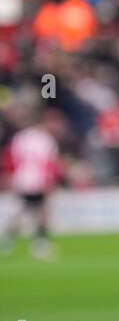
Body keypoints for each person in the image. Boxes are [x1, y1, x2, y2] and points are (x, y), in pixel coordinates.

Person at [1, 105, 62, 261]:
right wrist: (51, 181)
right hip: (38, 180)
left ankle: (9, 240)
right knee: (42, 211)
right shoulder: (46, 139)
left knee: (24, 210)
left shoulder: (19, 137)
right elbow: (49, 163)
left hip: (22, 179)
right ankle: (40, 243)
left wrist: (10, 177)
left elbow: (9, 160)